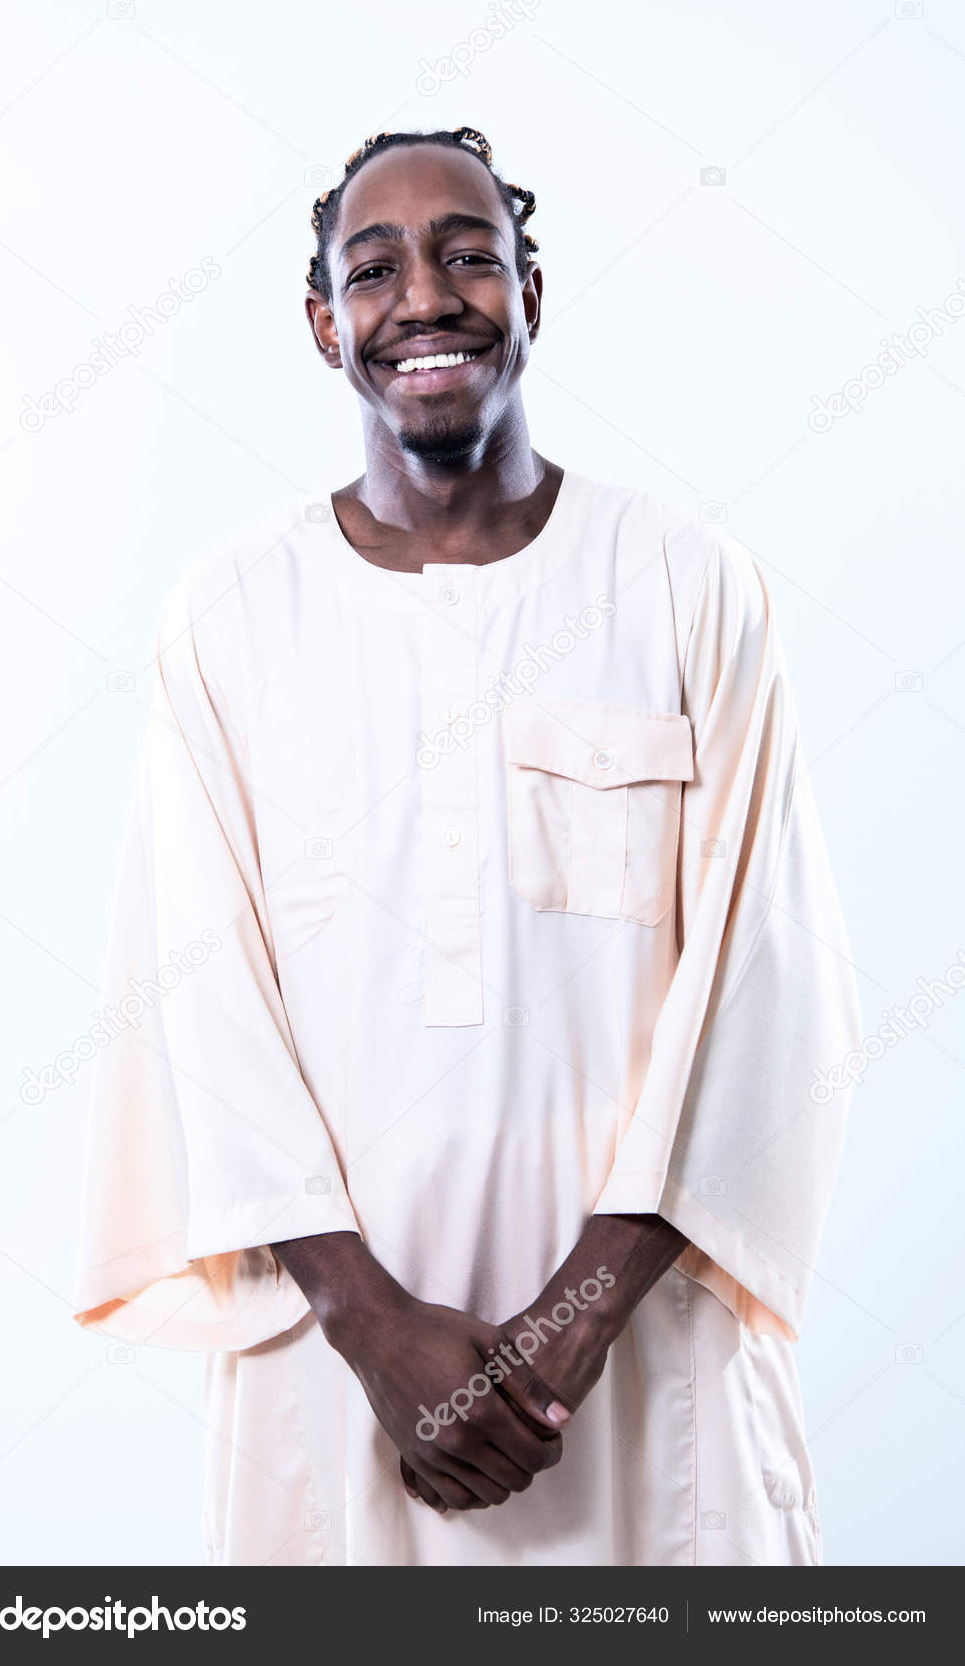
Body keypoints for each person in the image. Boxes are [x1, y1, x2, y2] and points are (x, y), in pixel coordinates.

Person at [72, 126, 862, 1566]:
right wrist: (370, 1328)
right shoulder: (232, 617)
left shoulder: (685, 586)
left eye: (469, 255)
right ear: (325, 325)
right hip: (338, 1380)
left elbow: (771, 976)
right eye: (373, 269)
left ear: (533, 295)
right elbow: (201, 1002)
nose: (425, 296)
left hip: (641, 1370)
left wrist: (573, 1324)